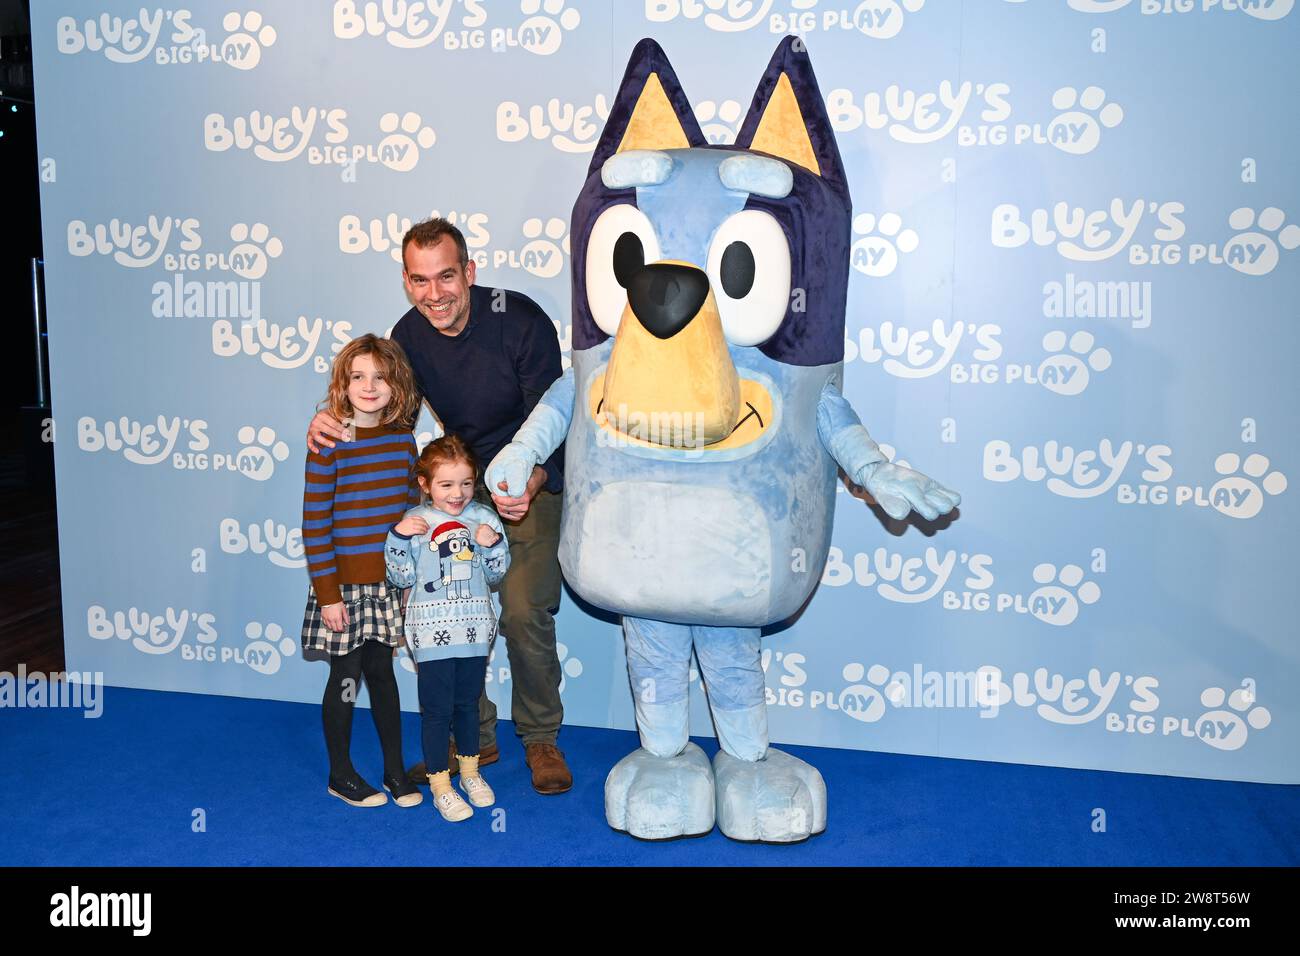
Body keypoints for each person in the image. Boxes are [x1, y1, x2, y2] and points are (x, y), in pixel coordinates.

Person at [307, 218, 572, 795]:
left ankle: (540, 738)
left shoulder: (520, 321)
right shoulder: (408, 334)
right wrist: (332, 420)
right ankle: (472, 732)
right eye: (421, 280)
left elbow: (558, 421)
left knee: (524, 608)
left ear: (469, 273)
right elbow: (385, 412)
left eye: (447, 276)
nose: (436, 294)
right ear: (407, 282)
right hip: (458, 485)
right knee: (451, 611)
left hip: (531, 481)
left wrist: (535, 480)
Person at [301, 334, 424, 809]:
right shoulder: (329, 440)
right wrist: (328, 595)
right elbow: (315, 524)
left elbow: (409, 516)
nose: (369, 386)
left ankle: (395, 771)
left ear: (397, 385)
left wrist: (408, 581)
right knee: (345, 676)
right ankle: (341, 773)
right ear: (343, 383)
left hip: (387, 583)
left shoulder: (401, 441)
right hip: (343, 589)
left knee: (383, 674)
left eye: (380, 377)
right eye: (358, 377)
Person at [385, 436, 510, 821]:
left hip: (474, 631)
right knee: (437, 712)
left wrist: (491, 545)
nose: (458, 494)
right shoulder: (416, 522)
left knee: (467, 706)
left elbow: (496, 573)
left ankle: (471, 774)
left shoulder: (485, 518)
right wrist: (398, 538)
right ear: (425, 484)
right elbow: (400, 577)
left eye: (466, 483)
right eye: (446, 484)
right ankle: (441, 784)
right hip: (429, 632)